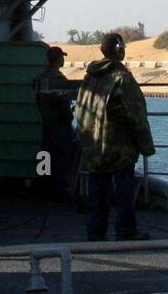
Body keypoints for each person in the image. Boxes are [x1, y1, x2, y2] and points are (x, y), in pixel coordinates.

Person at [74, 32, 155, 241]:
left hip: (93, 146)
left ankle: (95, 232)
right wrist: (146, 146)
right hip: (119, 147)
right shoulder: (122, 78)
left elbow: (80, 110)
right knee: (123, 191)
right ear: (120, 50)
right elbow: (136, 115)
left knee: (97, 192)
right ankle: (126, 230)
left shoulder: (90, 76)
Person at [34, 45, 79, 202]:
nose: (63, 59)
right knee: (63, 157)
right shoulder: (59, 79)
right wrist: (68, 115)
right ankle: (60, 192)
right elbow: (62, 104)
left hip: (46, 123)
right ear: (58, 59)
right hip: (60, 124)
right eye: (62, 57)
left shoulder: (40, 78)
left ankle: (42, 187)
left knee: (45, 155)